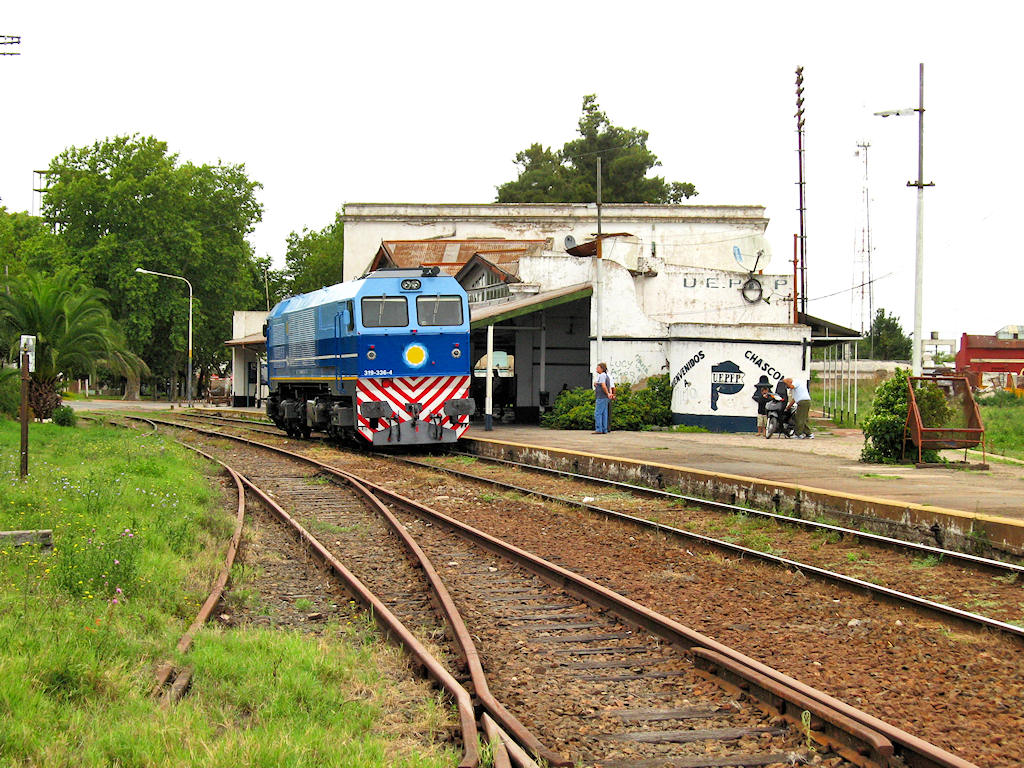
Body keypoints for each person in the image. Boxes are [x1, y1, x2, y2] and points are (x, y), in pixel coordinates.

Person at [593, 362, 614, 434]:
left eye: (598, 368)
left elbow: (603, 385)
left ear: (602, 369)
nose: (596, 369)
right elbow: (609, 386)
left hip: (601, 397)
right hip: (605, 398)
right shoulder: (606, 376)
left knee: (598, 413)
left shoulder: (602, 375)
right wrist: (609, 394)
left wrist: (607, 393)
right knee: (604, 413)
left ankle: (599, 429)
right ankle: (604, 429)